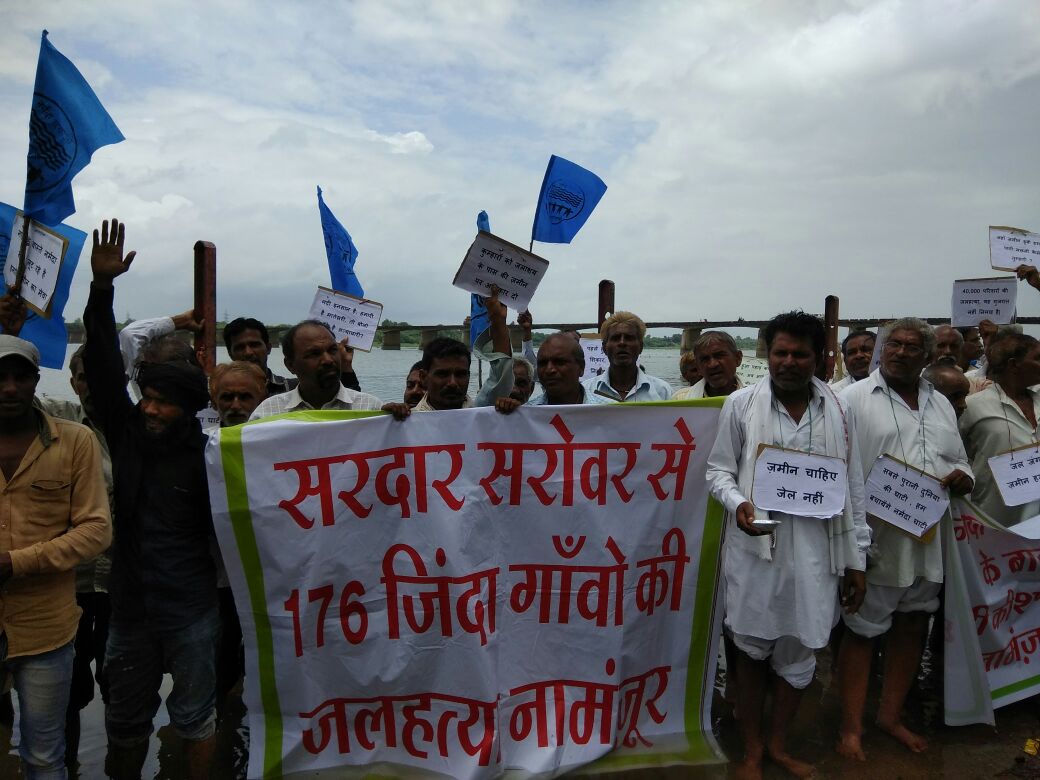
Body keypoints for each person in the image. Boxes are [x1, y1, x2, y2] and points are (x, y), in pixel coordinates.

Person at [84, 218, 222, 779]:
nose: (151, 408)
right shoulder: (127, 430)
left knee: (196, 719)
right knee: (124, 721)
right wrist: (101, 289)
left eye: (165, 401)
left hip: (191, 608)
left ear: (189, 407)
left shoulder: (215, 453)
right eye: (148, 396)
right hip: (131, 609)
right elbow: (100, 361)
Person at [706, 311, 868, 780]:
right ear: (767, 354)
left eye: (801, 354)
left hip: (820, 558)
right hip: (756, 553)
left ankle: (778, 745)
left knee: (801, 656)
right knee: (752, 654)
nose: (789, 362)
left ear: (820, 358)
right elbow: (718, 471)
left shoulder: (840, 410)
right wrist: (737, 503)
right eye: (781, 352)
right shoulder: (739, 405)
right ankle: (752, 751)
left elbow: (852, 487)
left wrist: (857, 559)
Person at [837, 317, 973, 761]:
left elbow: (959, 459)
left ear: (928, 355)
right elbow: (834, 468)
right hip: (875, 539)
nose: (899, 352)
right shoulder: (850, 399)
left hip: (929, 538)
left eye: (911, 347)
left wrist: (963, 477)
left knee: (915, 622)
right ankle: (851, 728)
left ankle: (890, 716)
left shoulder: (939, 404)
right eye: (892, 344)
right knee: (861, 631)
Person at [0, 335, 111, 778]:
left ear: (35, 380)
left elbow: (96, 530)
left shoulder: (75, 441)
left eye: (19, 376)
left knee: (44, 755)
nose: (9, 387)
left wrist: (15, 562)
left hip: (47, 627)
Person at [38, 346, 116, 768]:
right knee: (63, 689)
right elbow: (14, 394)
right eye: (85, 375)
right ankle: (62, 766)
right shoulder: (58, 417)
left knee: (118, 682)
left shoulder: (139, 424)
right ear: (74, 383)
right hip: (63, 580)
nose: (94, 384)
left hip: (121, 581)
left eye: (105, 373)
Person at [959, 333, 1040, 527]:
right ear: (1014, 365)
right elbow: (957, 455)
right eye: (1037, 358)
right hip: (995, 523)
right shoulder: (972, 407)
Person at [249, 321, 383, 419]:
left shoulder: (371, 409)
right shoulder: (266, 415)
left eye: (332, 350)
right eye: (314, 354)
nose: (328, 360)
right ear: (290, 365)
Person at [411, 287, 514, 412]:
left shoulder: (479, 414)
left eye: (460, 374)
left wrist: (498, 321)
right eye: (442, 374)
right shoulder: (405, 423)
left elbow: (501, 377)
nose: (453, 383)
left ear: (469, 376)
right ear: (423, 377)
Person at [224, 316, 362, 395]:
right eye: (240, 347)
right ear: (230, 353)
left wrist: (346, 367)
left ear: (268, 348)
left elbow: (346, 402)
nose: (248, 352)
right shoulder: (218, 392)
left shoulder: (293, 389)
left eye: (254, 345)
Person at [495, 333, 607, 411]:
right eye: (543, 363)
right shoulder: (526, 415)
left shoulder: (609, 412)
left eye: (559, 362)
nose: (549, 370)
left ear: (581, 368)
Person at [582, 312, 672, 402]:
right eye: (615, 338)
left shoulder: (662, 392)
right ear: (604, 347)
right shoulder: (586, 391)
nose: (622, 343)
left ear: (640, 347)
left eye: (629, 338)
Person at [673, 331, 743, 400]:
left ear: (738, 358)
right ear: (698, 367)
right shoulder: (680, 400)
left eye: (719, 356)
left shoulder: (752, 400)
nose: (712, 365)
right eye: (704, 359)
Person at [210, 361, 267, 427]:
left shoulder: (276, 437)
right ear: (214, 402)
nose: (235, 406)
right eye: (227, 397)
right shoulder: (205, 437)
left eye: (244, 397)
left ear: (261, 401)